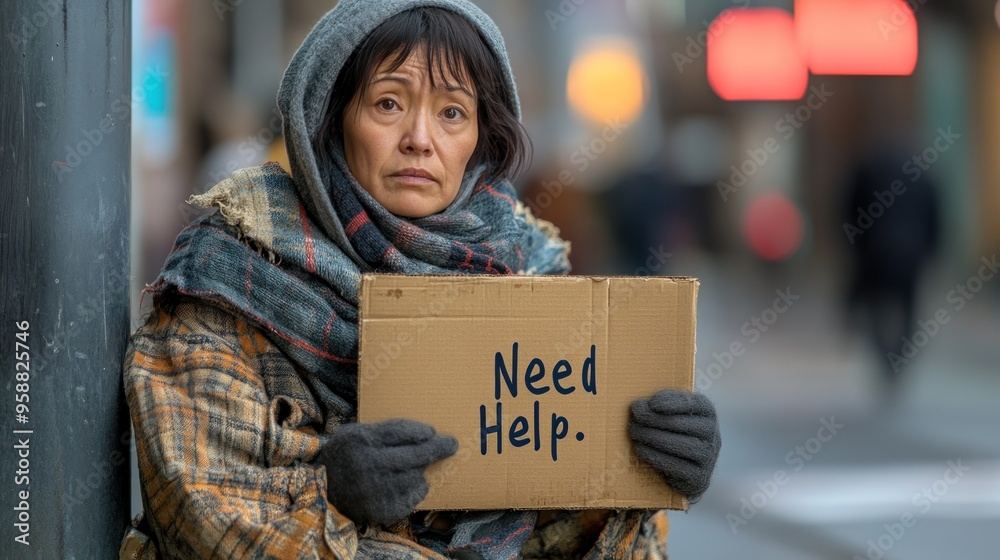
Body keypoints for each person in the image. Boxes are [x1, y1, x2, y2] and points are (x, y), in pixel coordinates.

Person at [121, 1, 721, 558]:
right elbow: (197, 513)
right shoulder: (233, 273)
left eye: (452, 113)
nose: (420, 138)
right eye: (388, 103)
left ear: (480, 140)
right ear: (328, 120)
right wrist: (330, 490)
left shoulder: (532, 279)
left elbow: (564, 522)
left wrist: (642, 480)